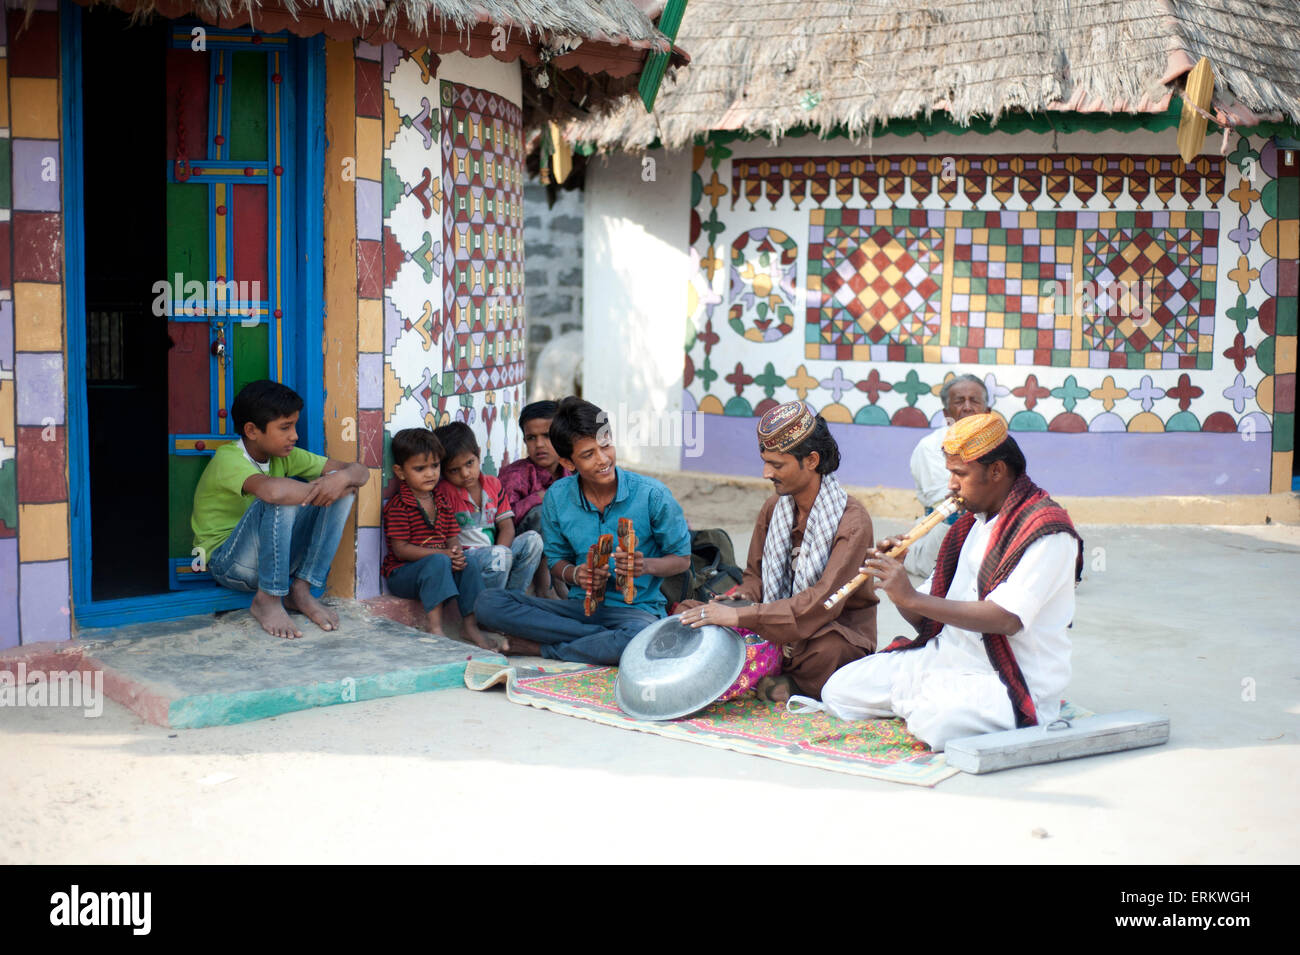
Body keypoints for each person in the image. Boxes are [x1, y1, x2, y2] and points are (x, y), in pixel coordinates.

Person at [819, 413, 1083, 751]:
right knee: (839, 689)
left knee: (936, 721)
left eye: (960, 474)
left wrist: (912, 597)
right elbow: (928, 620)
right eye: (950, 474)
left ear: (996, 471)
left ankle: (931, 707)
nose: (951, 486)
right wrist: (900, 591)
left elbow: (1006, 618)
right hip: (945, 660)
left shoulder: (1047, 531)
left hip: (1008, 678)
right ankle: (928, 702)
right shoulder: (967, 526)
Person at [676, 400, 875, 702]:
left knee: (830, 650)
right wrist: (741, 600)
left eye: (777, 465)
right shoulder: (774, 508)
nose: (766, 473)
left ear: (810, 460)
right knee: (687, 612)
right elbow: (754, 576)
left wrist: (748, 617)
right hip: (774, 622)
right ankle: (773, 674)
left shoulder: (853, 521)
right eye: (765, 462)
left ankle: (789, 683)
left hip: (827, 628)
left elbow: (825, 602)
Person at [474, 397, 692, 663]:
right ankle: (598, 641)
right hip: (578, 609)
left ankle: (544, 648)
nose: (603, 460)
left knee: (637, 633)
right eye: (588, 454)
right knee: (488, 604)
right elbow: (556, 561)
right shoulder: (557, 497)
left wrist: (644, 566)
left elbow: (682, 560)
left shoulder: (652, 495)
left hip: (636, 612)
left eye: (606, 446)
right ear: (568, 462)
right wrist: (575, 574)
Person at [193, 379, 370, 639]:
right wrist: (330, 487)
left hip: (276, 560)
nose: (295, 435)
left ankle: (301, 589)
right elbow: (272, 492)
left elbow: (359, 472)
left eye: (294, 426)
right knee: (280, 496)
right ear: (252, 431)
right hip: (229, 564)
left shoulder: (285, 455)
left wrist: (341, 481)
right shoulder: (228, 459)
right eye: (285, 427)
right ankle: (269, 599)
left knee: (342, 491)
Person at [381, 428, 495, 649]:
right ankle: (435, 628)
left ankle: (470, 626)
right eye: (420, 468)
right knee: (438, 561)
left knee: (469, 561)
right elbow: (401, 550)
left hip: (439, 565)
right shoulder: (399, 506)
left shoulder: (441, 500)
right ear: (400, 472)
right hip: (404, 574)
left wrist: (456, 553)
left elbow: (452, 536)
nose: (430, 474)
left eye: (435, 466)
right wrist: (443, 554)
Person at [433, 421, 543, 594]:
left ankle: (513, 596)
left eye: (469, 463)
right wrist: (500, 556)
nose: (465, 474)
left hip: (497, 554)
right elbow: (446, 536)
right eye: (454, 470)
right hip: (468, 559)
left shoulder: (493, 484)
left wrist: (502, 553)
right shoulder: (444, 492)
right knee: (500, 556)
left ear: (478, 453)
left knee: (533, 540)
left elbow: (506, 527)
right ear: (443, 471)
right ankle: (491, 604)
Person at [905, 374, 989, 578]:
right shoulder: (931, 447)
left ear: (987, 411)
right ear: (946, 412)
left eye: (974, 401)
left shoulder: (1001, 445)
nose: (967, 408)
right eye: (959, 401)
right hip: (943, 529)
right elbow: (954, 501)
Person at [498, 400, 572, 597]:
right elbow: (504, 520)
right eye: (531, 438)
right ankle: (545, 586)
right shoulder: (515, 475)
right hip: (525, 548)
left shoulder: (573, 472)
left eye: (547, 436)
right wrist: (537, 498)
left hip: (568, 550)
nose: (539, 445)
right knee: (543, 512)